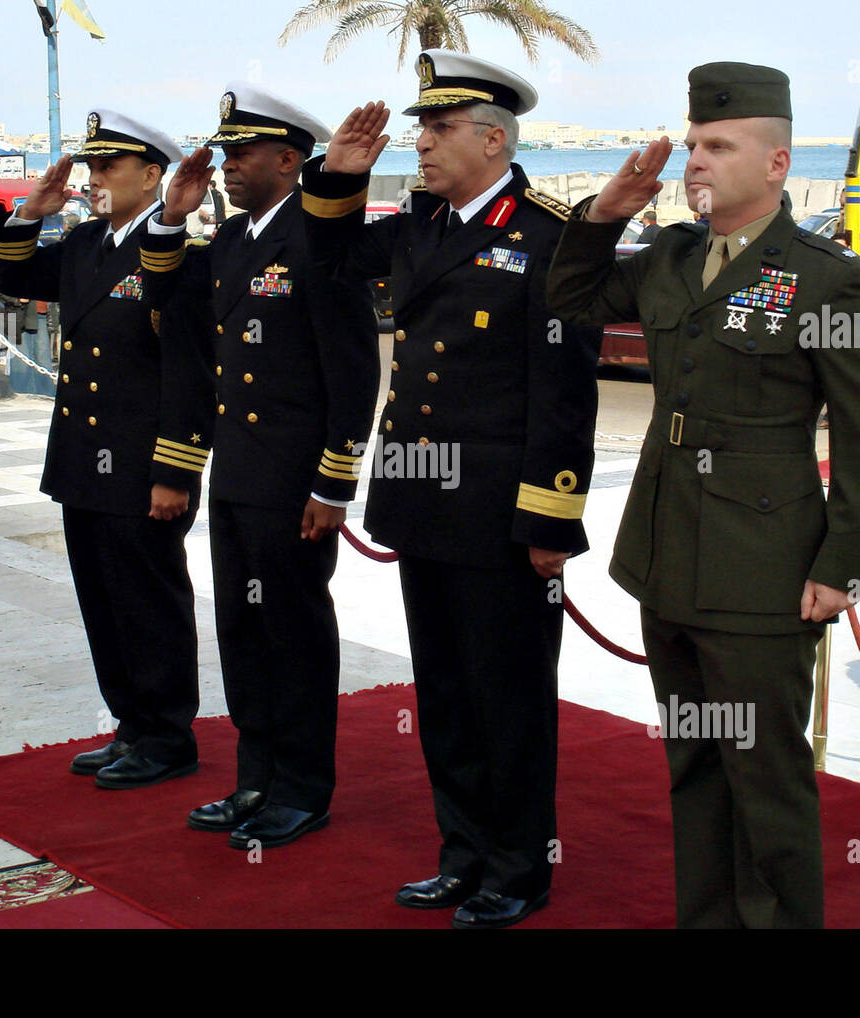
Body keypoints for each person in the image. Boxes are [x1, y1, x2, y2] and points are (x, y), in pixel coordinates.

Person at [547, 62, 860, 928]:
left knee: (765, 779)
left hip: (763, 570)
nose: (696, 161)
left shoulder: (831, 279)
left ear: (778, 163)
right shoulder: (669, 255)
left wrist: (842, 566)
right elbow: (569, 301)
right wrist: (605, 213)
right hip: (665, 554)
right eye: (693, 145)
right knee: (696, 765)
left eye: (718, 145)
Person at [303, 50, 602, 928]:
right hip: (422, 500)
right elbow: (327, 261)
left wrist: (551, 518)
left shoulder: (549, 235)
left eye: (439, 129)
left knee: (507, 699)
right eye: (421, 129)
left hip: (501, 514)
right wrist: (339, 178)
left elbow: (565, 394)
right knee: (443, 693)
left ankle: (518, 868)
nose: (422, 143)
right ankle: (463, 855)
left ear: (493, 138)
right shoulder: (420, 222)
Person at [140, 85, 380, 849]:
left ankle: (301, 788)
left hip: (295, 481)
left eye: (242, 153)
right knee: (243, 630)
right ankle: (256, 779)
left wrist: (334, 482)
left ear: (287, 159)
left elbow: (354, 371)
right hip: (239, 474)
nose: (228, 166)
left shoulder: (318, 238)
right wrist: (172, 216)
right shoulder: (234, 239)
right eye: (227, 154)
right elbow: (163, 294)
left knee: (293, 633)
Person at [0, 109, 216, 789]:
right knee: (103, 599)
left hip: (142, 463)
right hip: (83, 455)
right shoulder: (86, 242)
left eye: (108, 166)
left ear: (151, 176)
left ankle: (168, 735)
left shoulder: (177, 254)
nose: (93, 178)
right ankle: (131, 725)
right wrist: (29, 213)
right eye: (90, 166)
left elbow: (190, 370)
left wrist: (175, 470)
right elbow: (15, 280)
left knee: (149, 601)